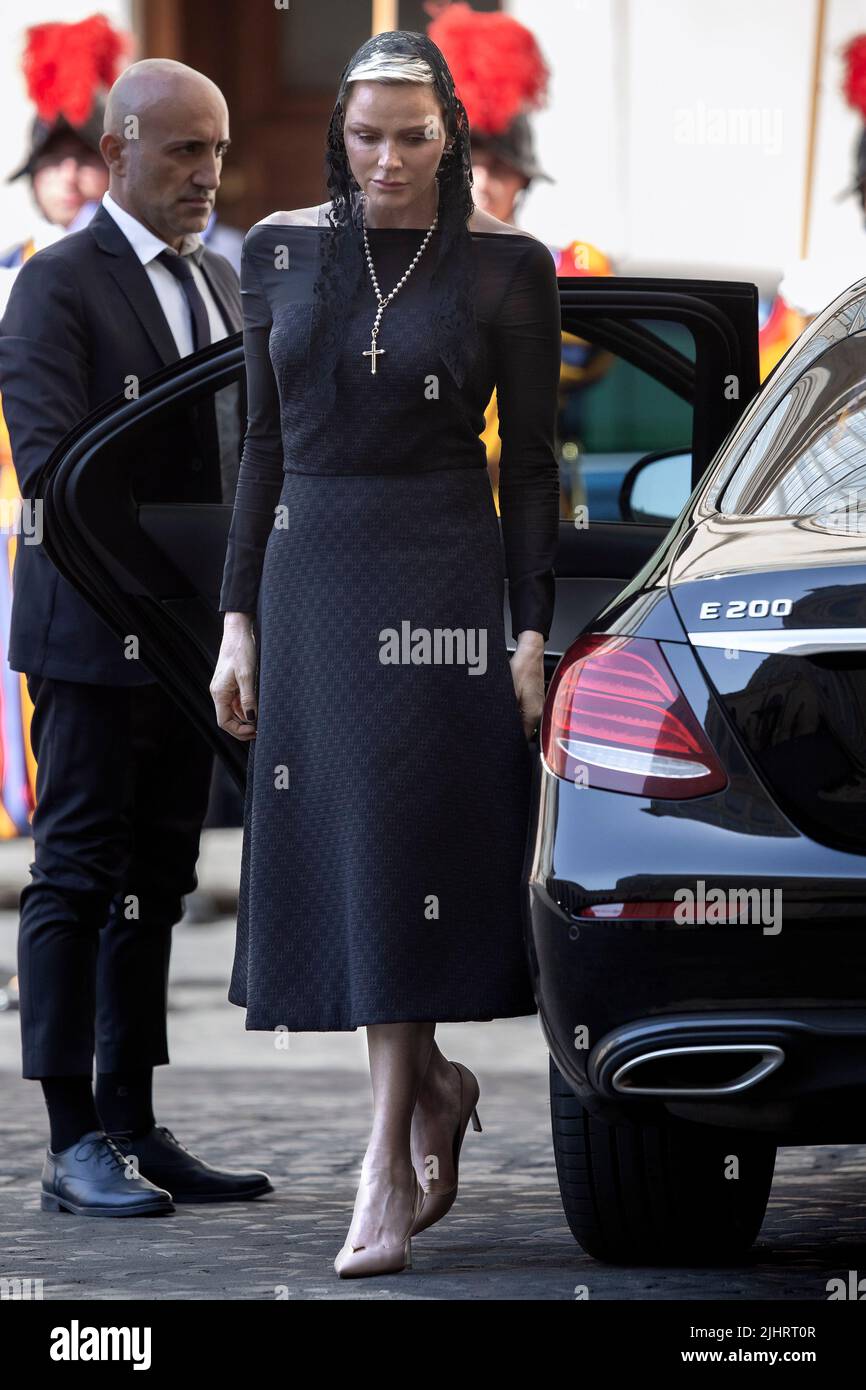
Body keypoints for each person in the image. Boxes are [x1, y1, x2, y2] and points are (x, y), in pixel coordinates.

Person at [210, 28, 561, 1277]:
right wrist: (236, 618)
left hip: (442, 576)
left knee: (404, 843)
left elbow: (527, 467)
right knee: (358, 848)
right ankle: (431, 1095)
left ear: (451, 134)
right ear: (338, 133)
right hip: (311, 576)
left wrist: (529, 629)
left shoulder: (507, 267)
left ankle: (380, 1165)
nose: (389, 158)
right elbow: (258, 442)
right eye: (367, 134)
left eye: (415, 135)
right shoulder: (278, 249)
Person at [0, 57, 272, 1215]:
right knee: (75, 876)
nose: (205, 173)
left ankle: (132, 1120)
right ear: (118, 148)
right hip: (89, 633)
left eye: (215, 151)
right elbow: (59, 470)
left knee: (154, 882)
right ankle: (70, 1141)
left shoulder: (218, 277)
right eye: (182, 150)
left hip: (181, 642)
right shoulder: (56, 284)